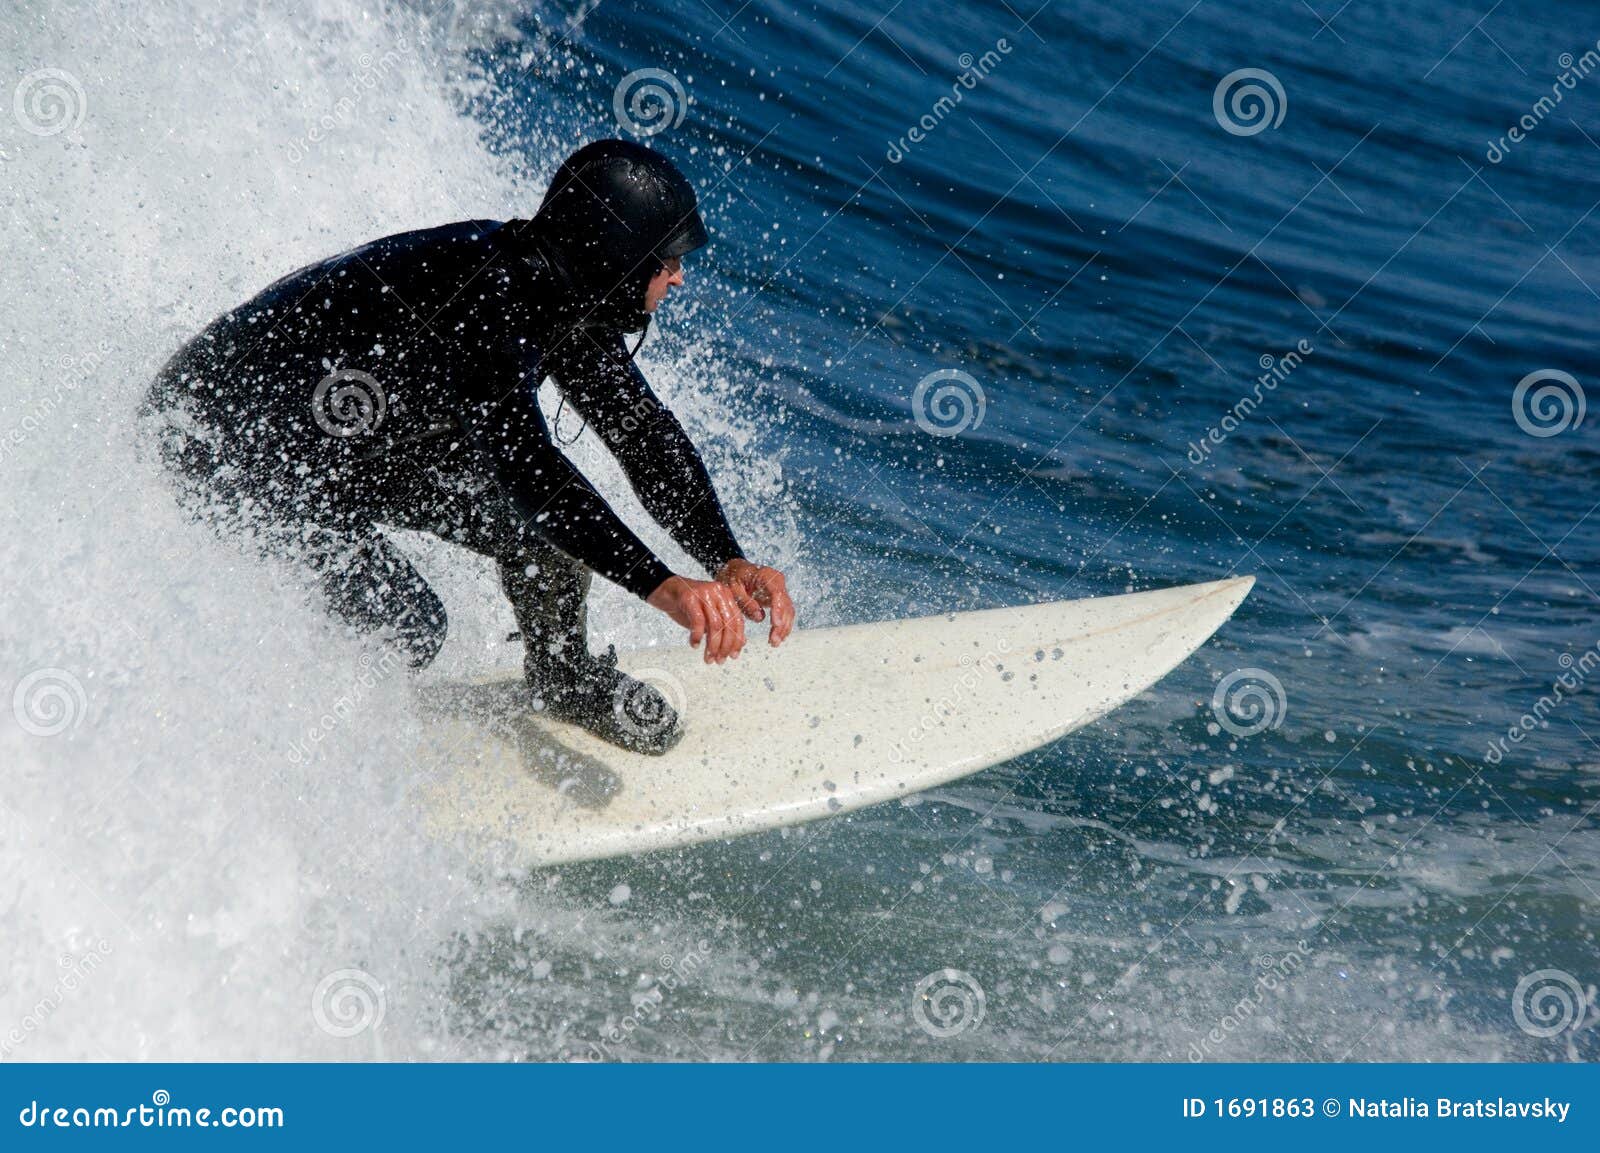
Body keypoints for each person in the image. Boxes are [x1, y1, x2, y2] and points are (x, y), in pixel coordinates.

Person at [140, 138, 796, 755]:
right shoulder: (486, 300)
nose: (678, 278)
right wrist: (661, 585)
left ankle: (564, 679)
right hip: (223, 444)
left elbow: (643, 435)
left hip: (343, 447)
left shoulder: (564, 293)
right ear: (616, 258)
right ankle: (271, 741)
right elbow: (530, 470)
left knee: (543, 540)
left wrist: (725, 557)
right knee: (408, 626)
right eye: (668, 260)